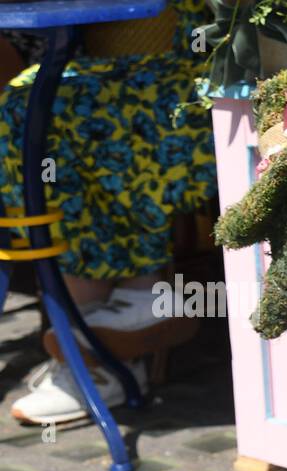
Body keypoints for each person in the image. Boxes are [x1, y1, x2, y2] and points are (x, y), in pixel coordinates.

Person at [1, 0, 216, 425]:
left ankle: (103, 335)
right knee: (24, 110)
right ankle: (106, 326)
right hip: (88, 59)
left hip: (185, 62)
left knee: (51, 115)